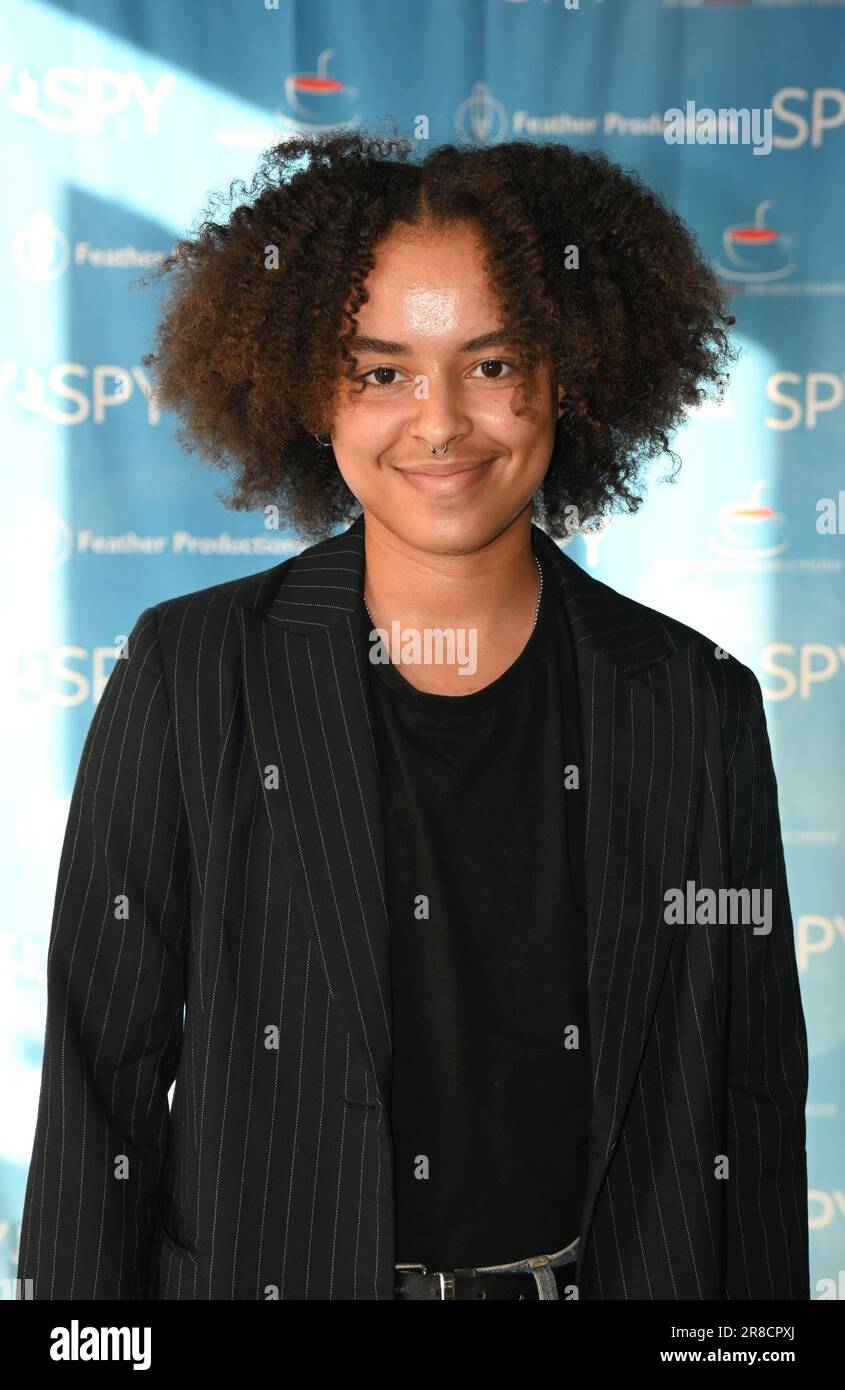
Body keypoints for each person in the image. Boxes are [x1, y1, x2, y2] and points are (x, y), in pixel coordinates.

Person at [17, 130, 809, 1301]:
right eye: (381, 370)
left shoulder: (695, 703)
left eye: (490, 364)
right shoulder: (188, 672)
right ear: (304, 387)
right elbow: (102, 1076)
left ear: (568, 374)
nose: (439, 421)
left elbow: (747, 1098)